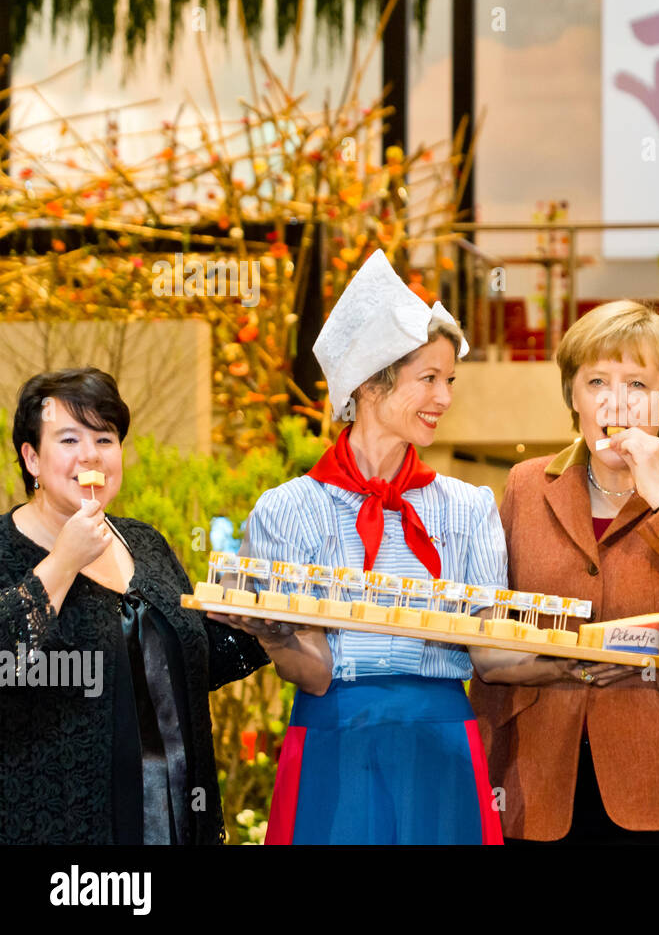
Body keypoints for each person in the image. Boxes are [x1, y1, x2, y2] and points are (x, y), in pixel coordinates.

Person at [227, 250, 521, 844]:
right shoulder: (285, 511)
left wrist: (574, 664)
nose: (444, 396)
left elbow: (490, 655)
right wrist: (270, 632)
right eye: (428, 379)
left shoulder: (469, 508)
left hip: (444, 743)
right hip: (335, 736)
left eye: (449, 380)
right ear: (368, 383)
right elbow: (311, 672)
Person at [470, 300, 659, 843]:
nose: (617, 403)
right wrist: (550, 662)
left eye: (637, 384)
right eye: (596, 382)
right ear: (573, 395)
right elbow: (493, 626)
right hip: (543, 785)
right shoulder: (525, 485)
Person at [0, 367, 268, 844]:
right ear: (31, 458)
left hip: (173, 817)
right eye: (68, 440)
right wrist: (64, 560)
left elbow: (191, 661)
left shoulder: (142, 542)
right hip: (60, 831)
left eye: (104, 439)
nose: (90, 455)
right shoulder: (5, 549)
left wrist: (261, 624)